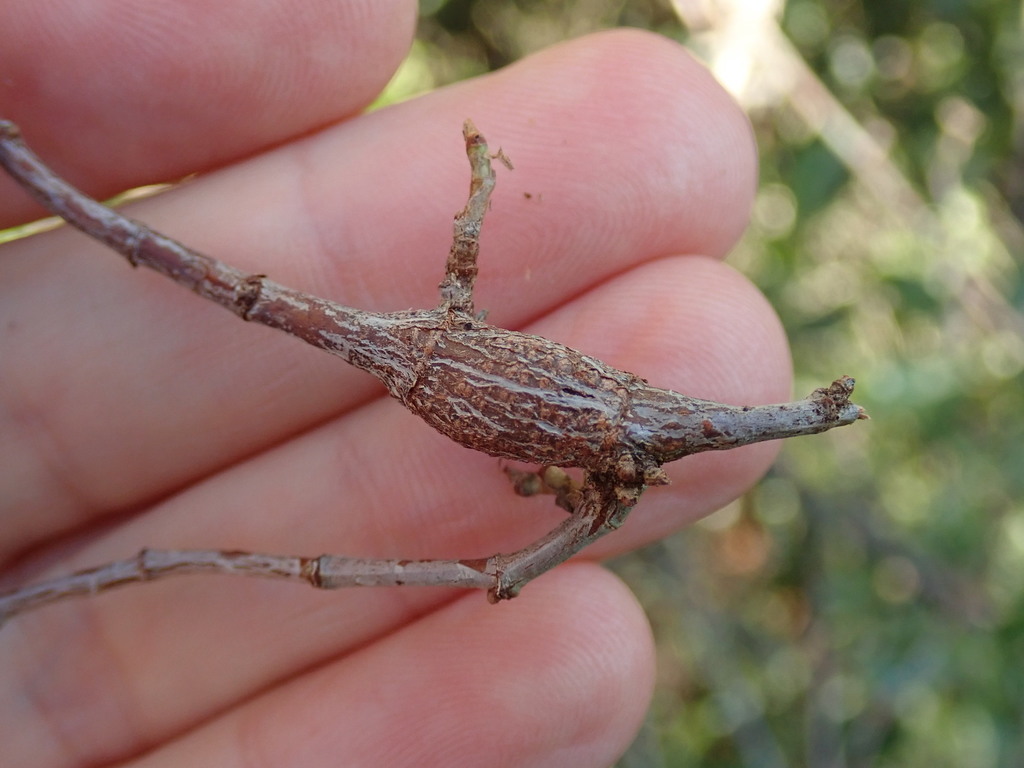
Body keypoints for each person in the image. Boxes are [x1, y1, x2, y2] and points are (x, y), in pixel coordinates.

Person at [0, 3, 792, 765]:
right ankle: (37, 175)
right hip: (439, 364)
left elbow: (507, 574)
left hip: (449, 372)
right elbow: (508, 571)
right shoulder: (580, 452)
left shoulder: (606, 471)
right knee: (250, 296)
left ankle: (40, 179)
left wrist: (534, 514)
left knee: (250, 297)